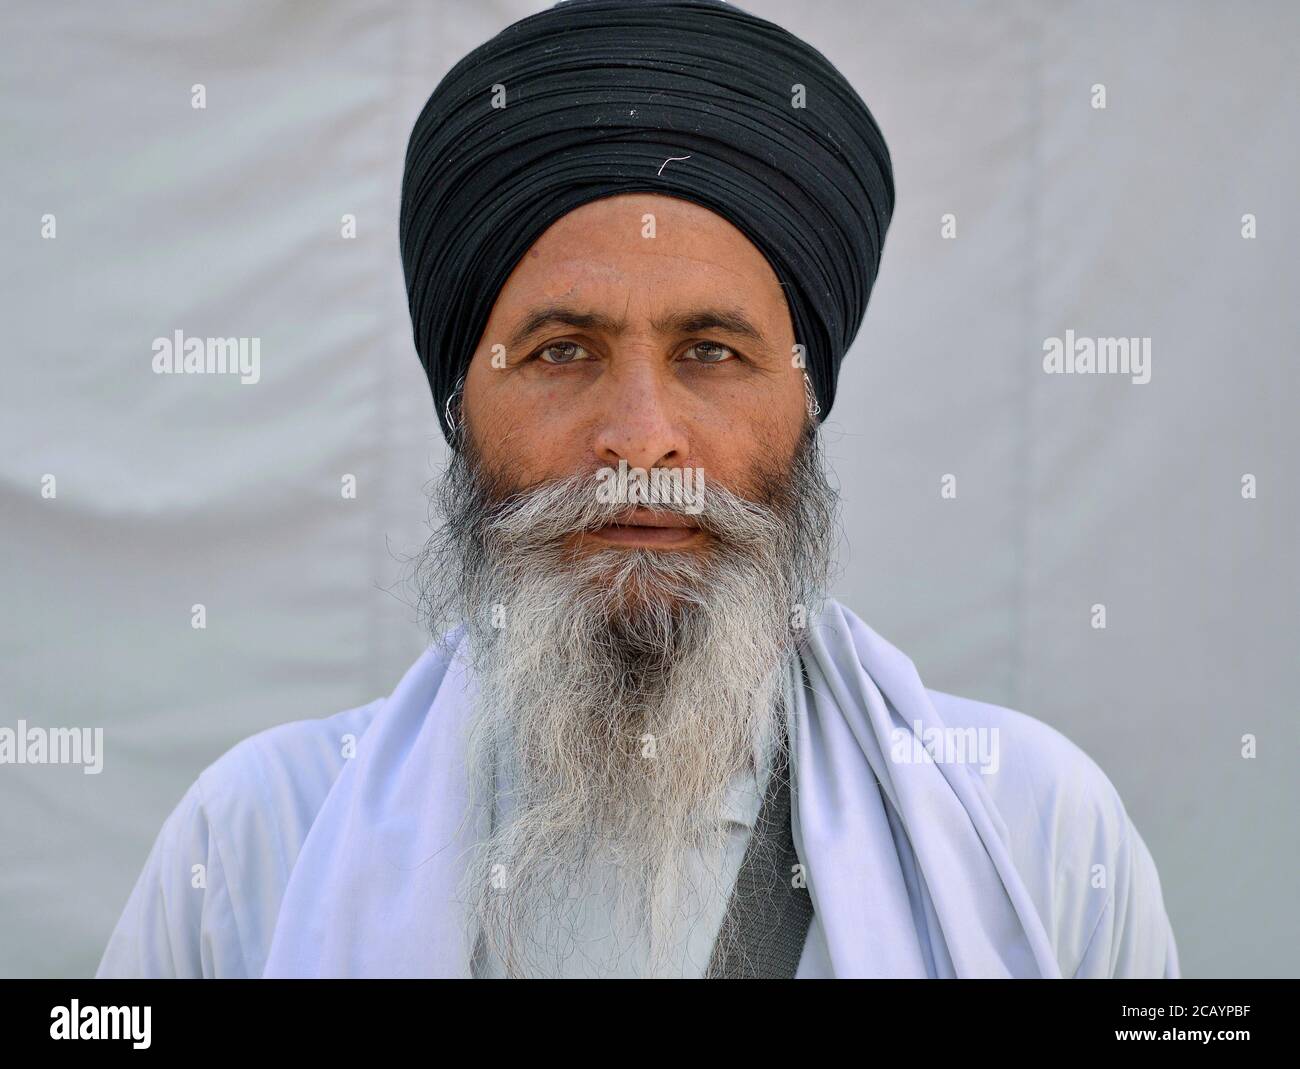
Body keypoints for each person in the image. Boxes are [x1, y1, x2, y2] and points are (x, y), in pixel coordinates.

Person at [97, 0, 1178, 979]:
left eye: (711, 351)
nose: (639, 442)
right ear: (457, 406)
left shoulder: (1030, 830)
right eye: (563, 350)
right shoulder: (257, 839)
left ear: (805, 406)